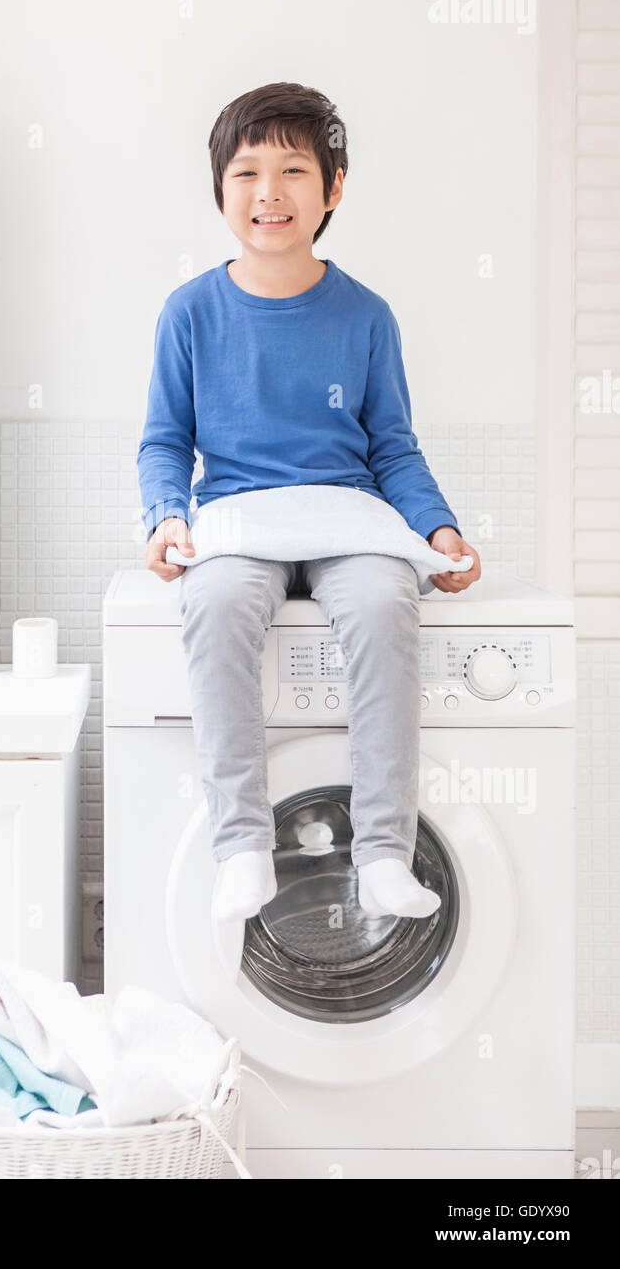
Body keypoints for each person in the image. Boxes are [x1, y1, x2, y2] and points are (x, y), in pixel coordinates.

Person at [137, 82, 481, 925]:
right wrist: (165, 516)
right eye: (248, 172)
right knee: (213, 602)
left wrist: (438, 527)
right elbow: (163, 443)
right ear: (221, 191)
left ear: (333, 188)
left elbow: (393, 447)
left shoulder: (366, 316)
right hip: (240, 520)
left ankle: (383, 854)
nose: (270, 193)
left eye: (294, 170)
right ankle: (244, 846)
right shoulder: (189, 314)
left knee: (381, 600)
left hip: (346, 517)